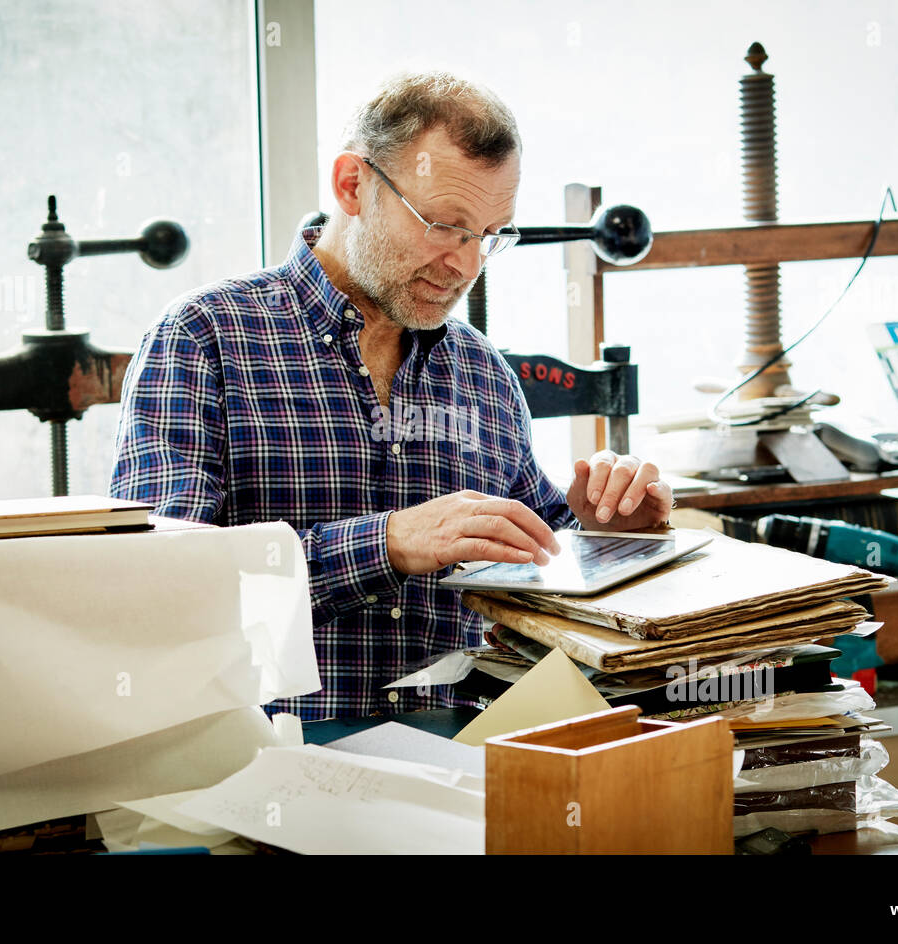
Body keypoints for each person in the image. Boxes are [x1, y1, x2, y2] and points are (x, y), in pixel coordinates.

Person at [109, 70, 673, 720]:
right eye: (445, 225)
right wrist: (386, 546)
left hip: (458, 765)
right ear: (353, 185)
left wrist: (608, 534)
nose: (467, 265)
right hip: (263, 771)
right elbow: (159, 590)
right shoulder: (204, 338)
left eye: (492, 235)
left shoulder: (483, 372)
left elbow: (537, 562)